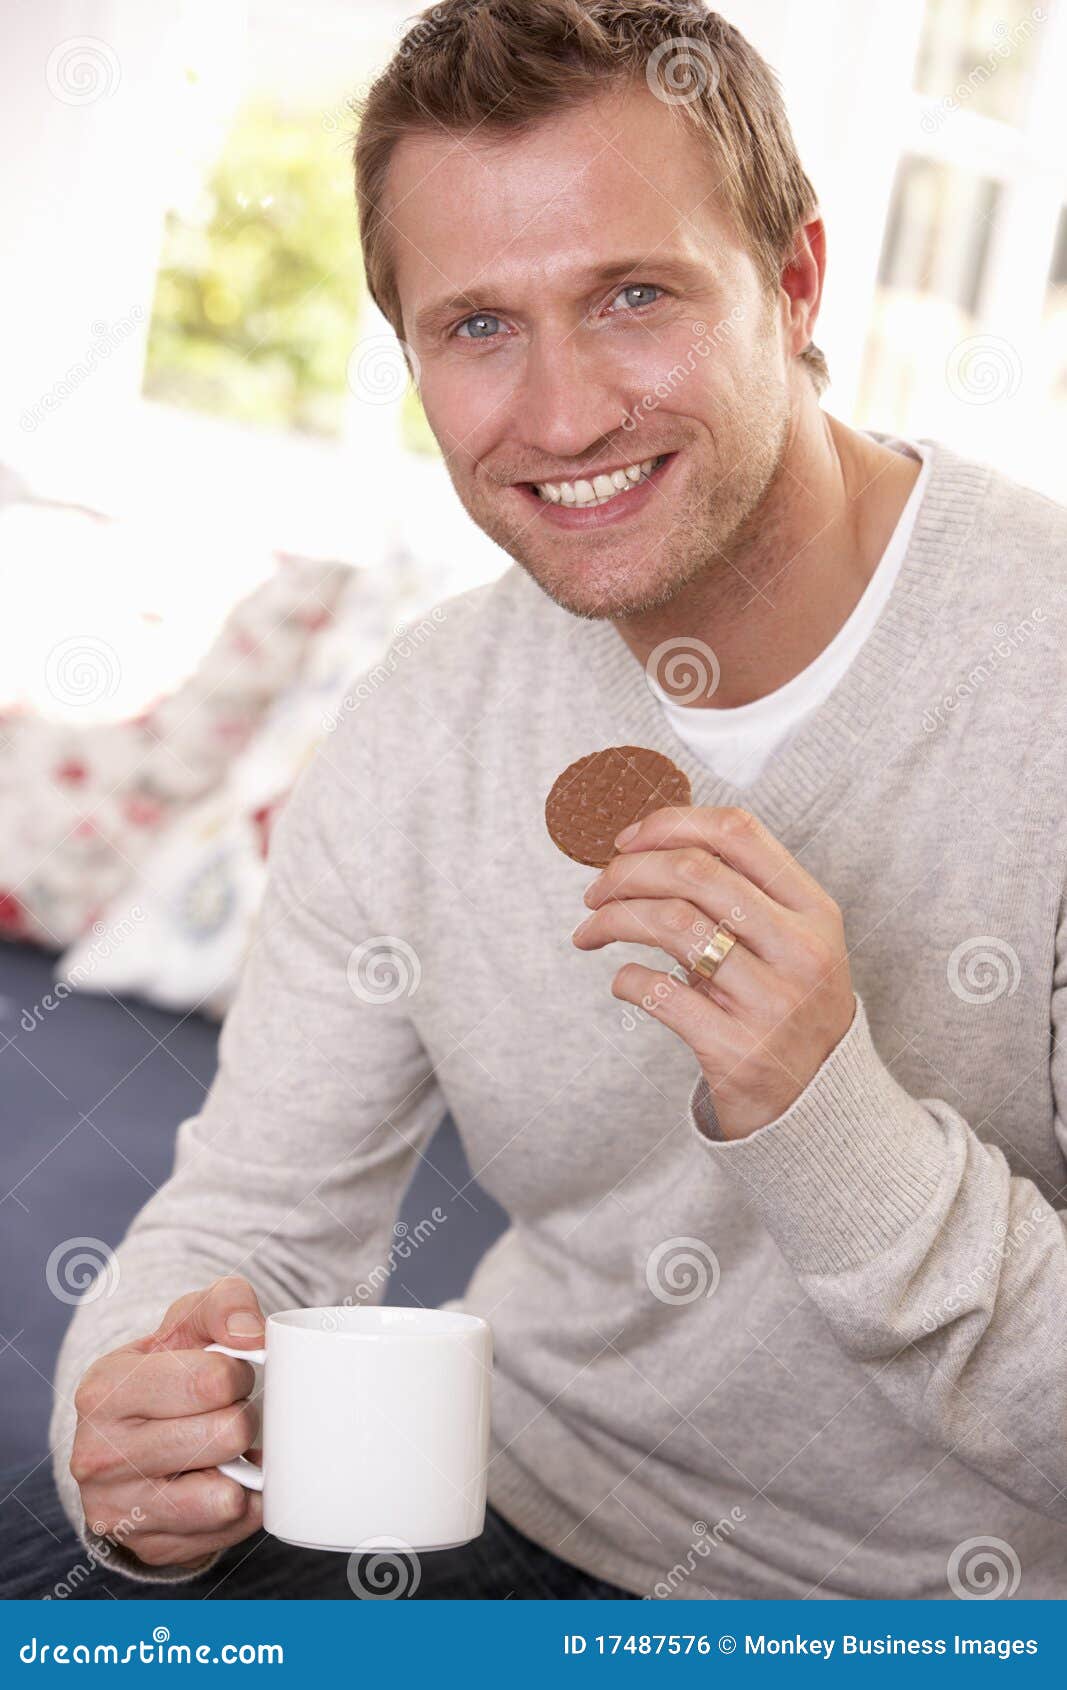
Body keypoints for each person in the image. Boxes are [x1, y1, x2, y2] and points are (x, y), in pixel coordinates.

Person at [11, 0, 1067, 1600]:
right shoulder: (423, 724)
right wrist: (141, 1418)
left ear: (794, 283)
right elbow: (257, 1212)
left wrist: (821, 1114)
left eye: (632, 295)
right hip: (502, 1510)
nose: (562, 416)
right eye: (479, 327)